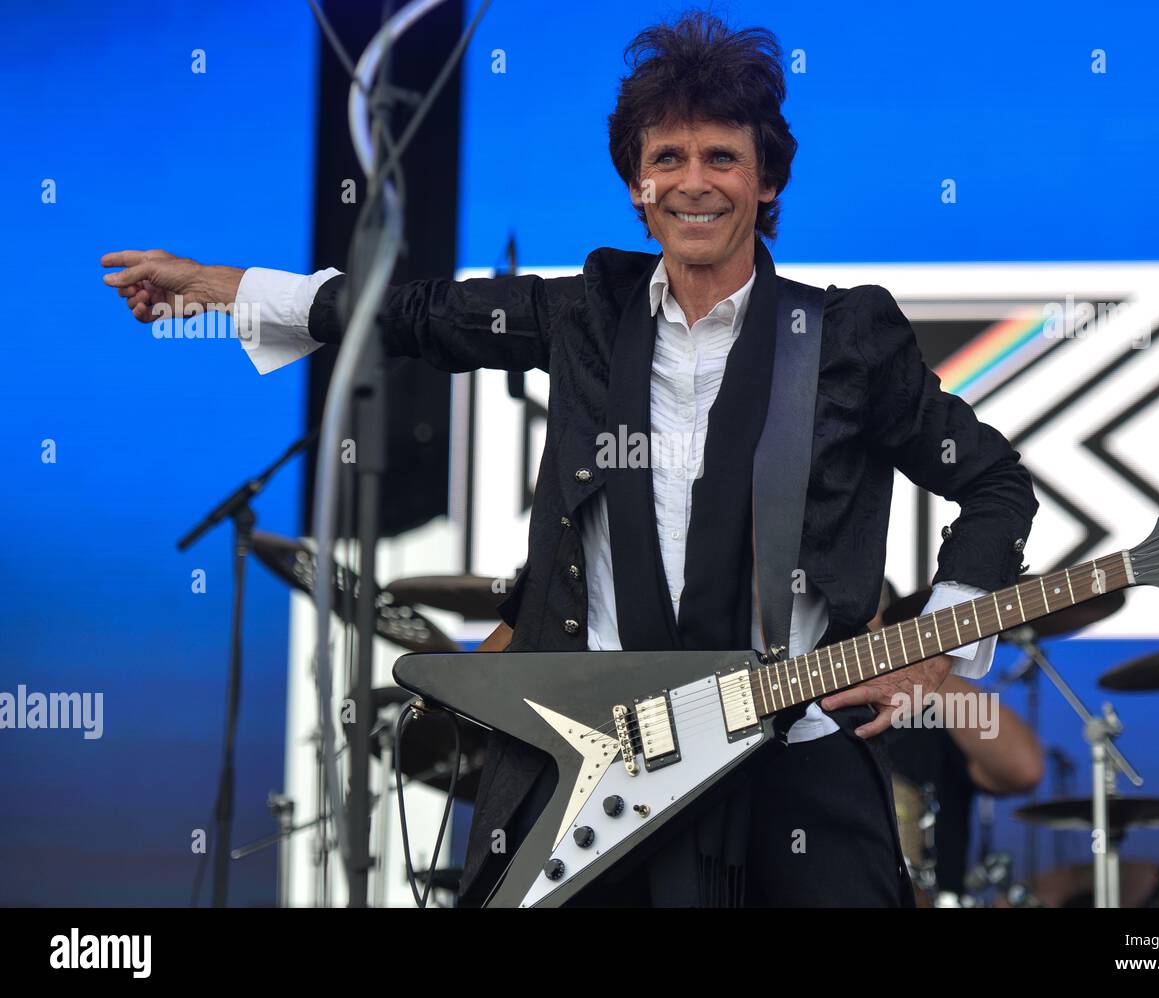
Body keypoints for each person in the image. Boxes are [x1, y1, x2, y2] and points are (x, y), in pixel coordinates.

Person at [102, 11, 1038, 907]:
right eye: (666, 157)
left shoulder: (841, 336)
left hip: (794, 747)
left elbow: (994, 482)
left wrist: (940, 654)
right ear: (637, 183)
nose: (693, 181)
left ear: (766, 182)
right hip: (601, 758)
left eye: (722, 156)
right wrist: (225, 289)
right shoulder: (589, 313)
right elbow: (414, 314)